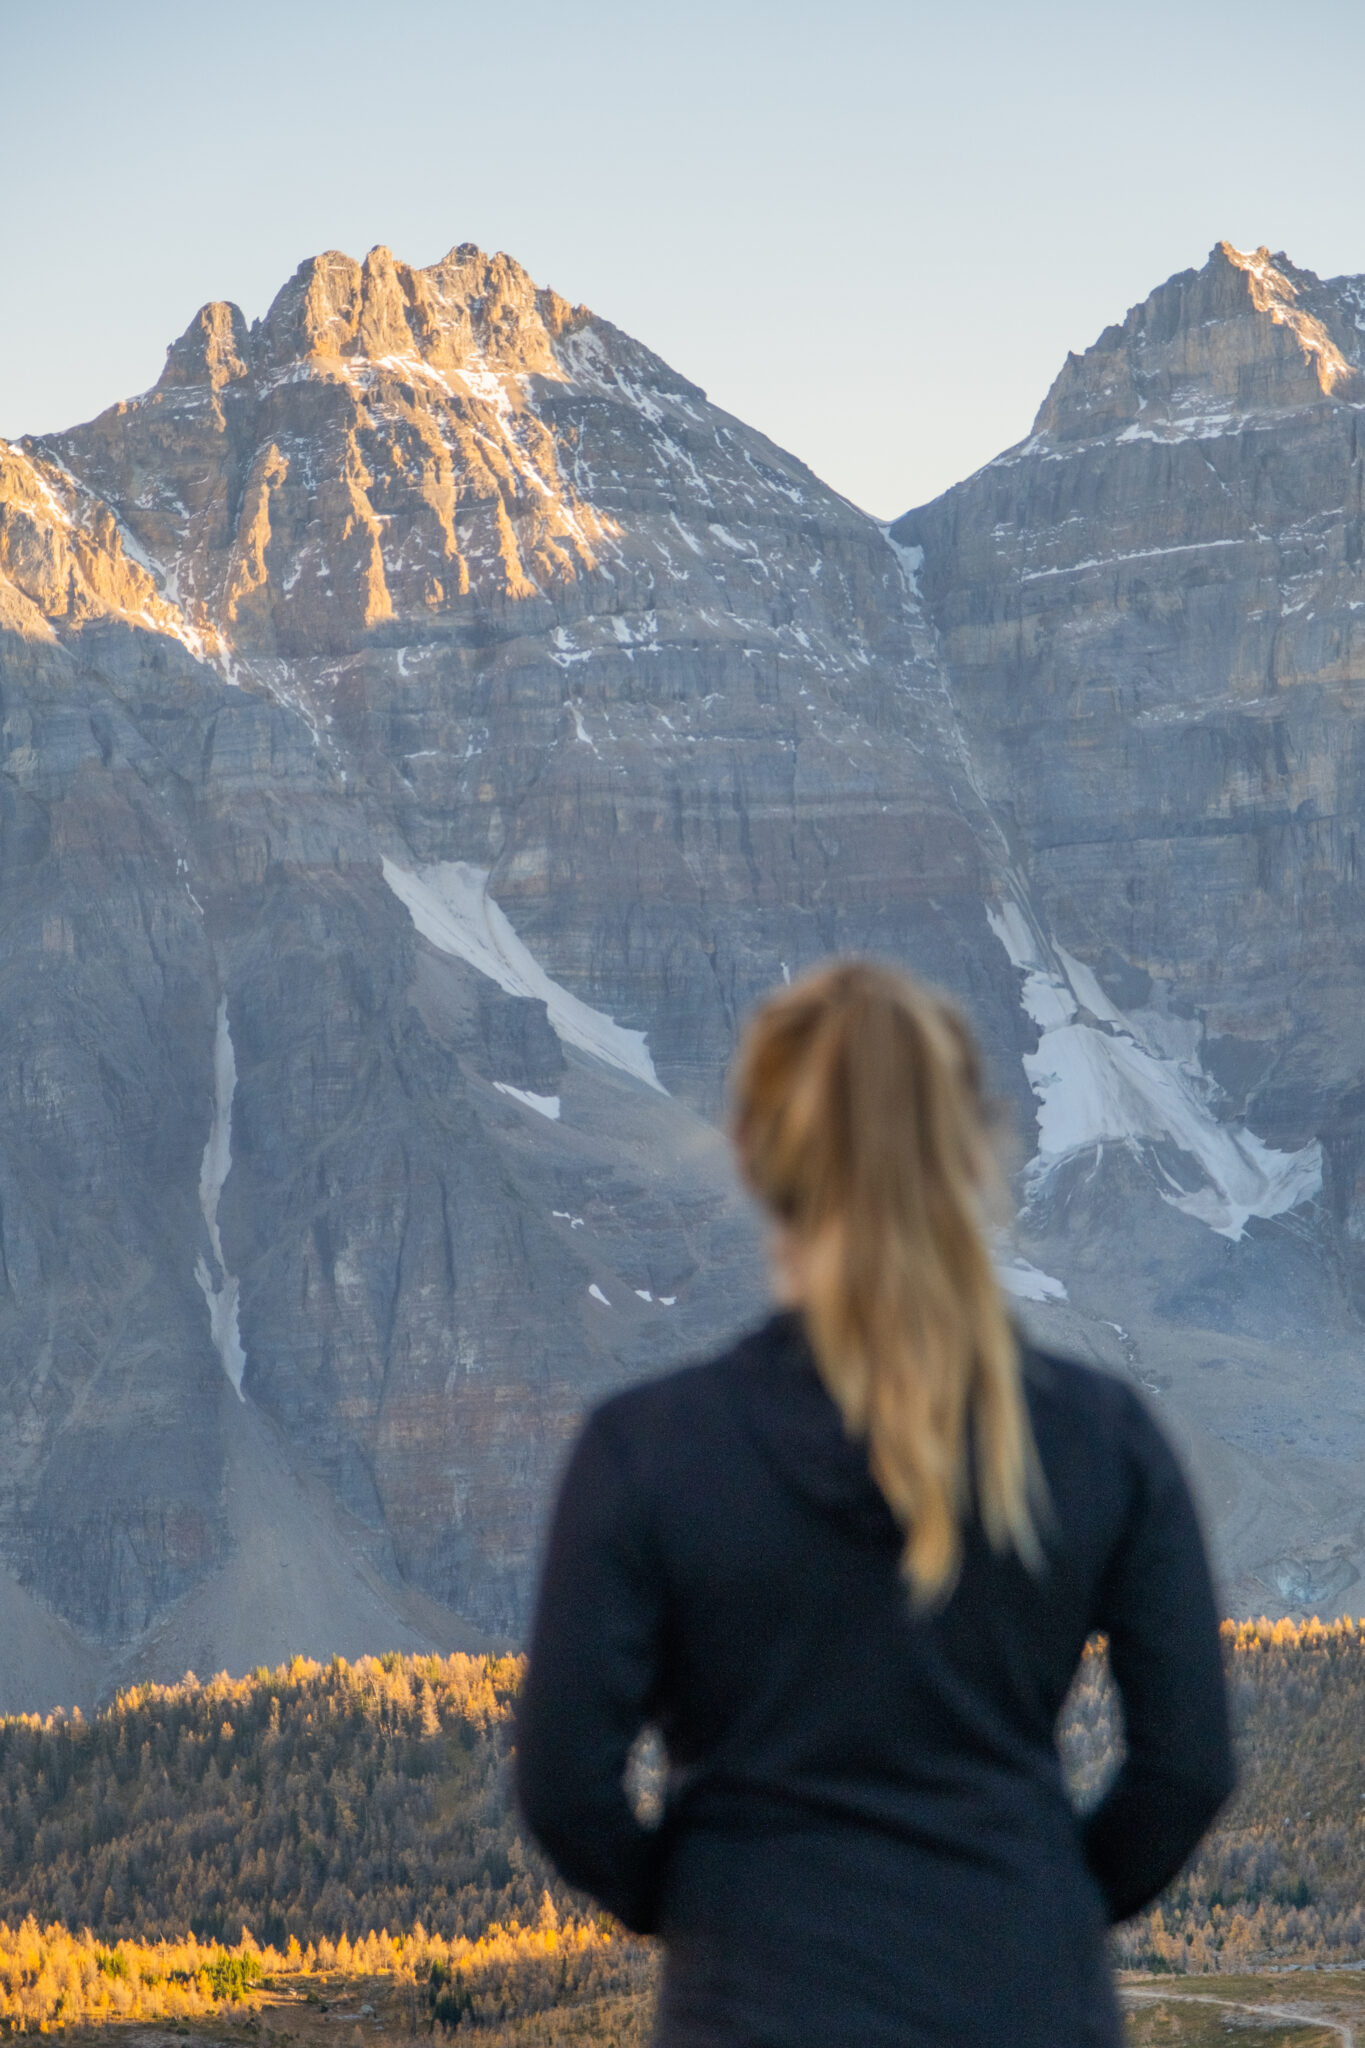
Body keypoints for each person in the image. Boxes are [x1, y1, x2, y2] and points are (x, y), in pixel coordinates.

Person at [516, 960, 1233, 2047]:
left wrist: (709, 1901)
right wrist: (1044, 1896)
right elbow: (1186, 1766)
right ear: (970, 1145)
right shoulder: (1100, 1438)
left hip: (754, 2002)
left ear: (757, 1154)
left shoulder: (649, 1451)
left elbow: (567, 1784)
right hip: (1024, 1999)